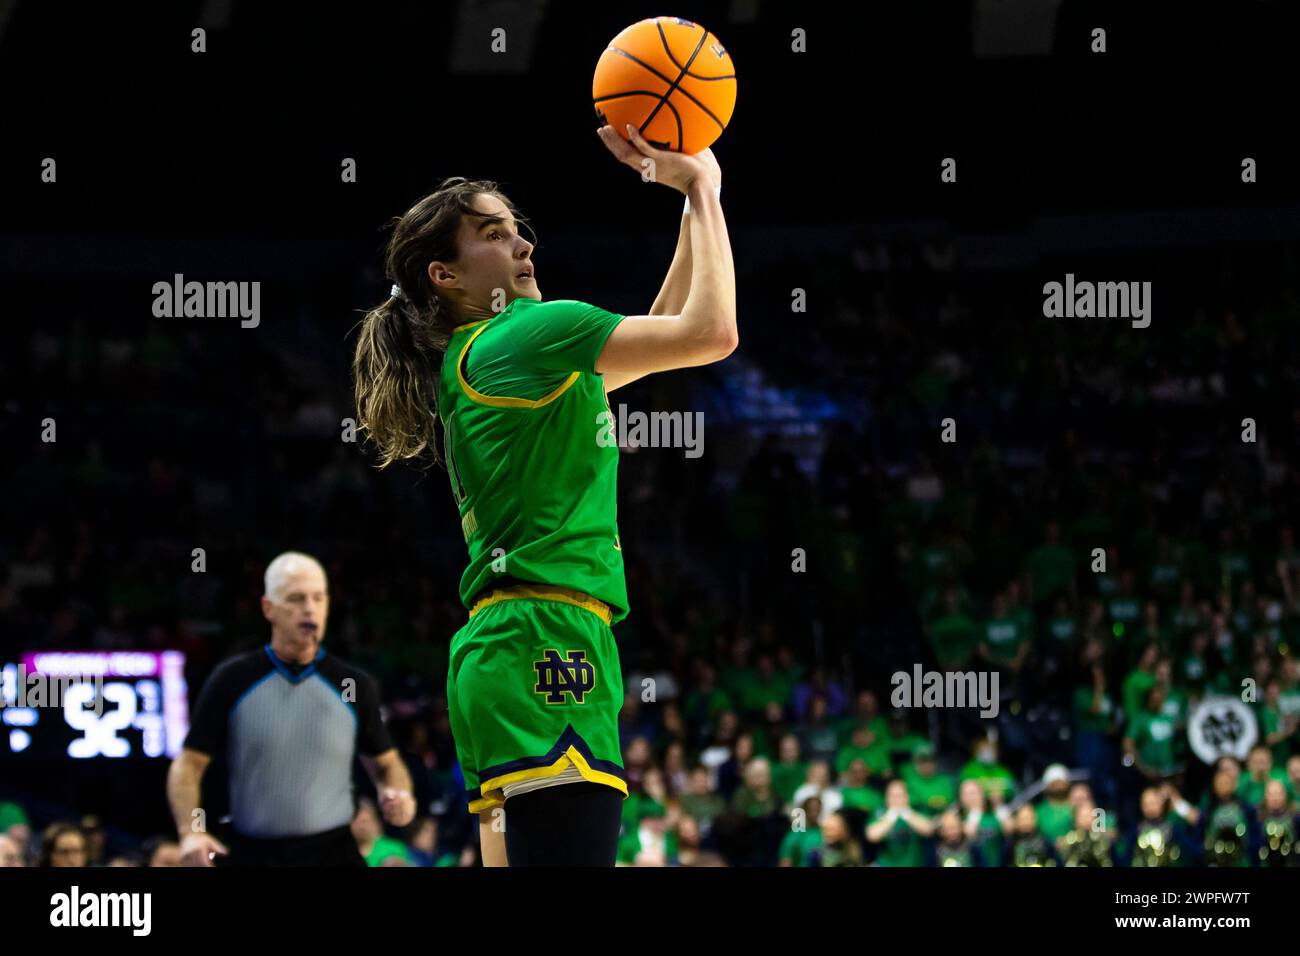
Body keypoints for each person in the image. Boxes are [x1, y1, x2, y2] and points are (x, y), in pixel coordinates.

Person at [350, 125, 736, 866]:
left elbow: (659, 344)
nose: (524, 244)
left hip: (504, 649)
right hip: (545, 641)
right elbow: (712, 333)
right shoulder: (524, 337)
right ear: (446, 275)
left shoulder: (487, 357)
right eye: (494, 235)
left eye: (518, 229)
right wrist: (702, 189)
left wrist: (693, 203)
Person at [166, 552, 415, 867]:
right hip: (254, 854)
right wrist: (191, 831)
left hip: (334, 854)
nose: (309, 608)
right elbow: (188, 765)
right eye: (296, 599)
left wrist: (397, 792)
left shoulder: (355, 684)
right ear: (268, 608)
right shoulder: (232, 679)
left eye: (318, 598)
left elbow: (386, 764)